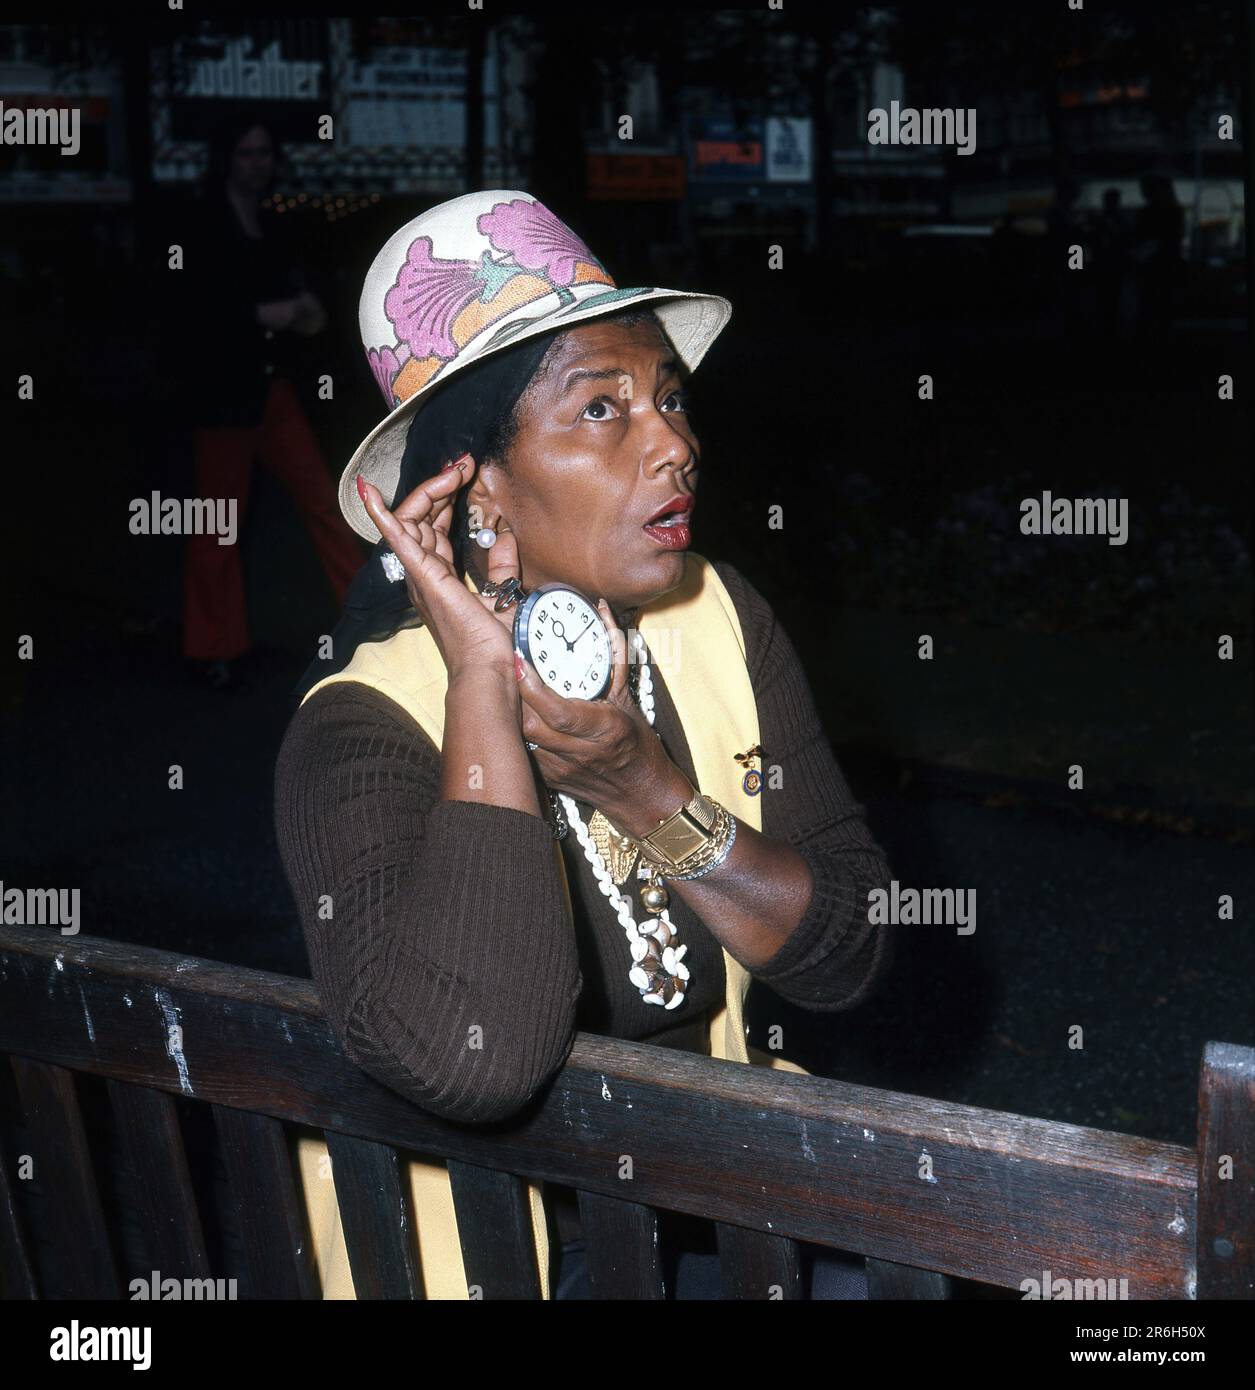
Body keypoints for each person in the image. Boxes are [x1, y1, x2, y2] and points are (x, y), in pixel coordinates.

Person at [272, 189, 896, 1299]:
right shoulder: (361, 728)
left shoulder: (717, 616)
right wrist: (480, 686)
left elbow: (849, 952)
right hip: (492, 1261)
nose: (676, 445)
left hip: (707, 1216)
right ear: (478, 493)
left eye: (668, 398)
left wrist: (640, 786)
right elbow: (476, 1059)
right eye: (603, 411)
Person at [179, 114, 363, 691]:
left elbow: (299, 295)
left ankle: (367, 624)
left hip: (273, 390)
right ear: (226, 159)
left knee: (325, 503)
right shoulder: (201, 221)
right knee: (218, 526)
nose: (256, 163)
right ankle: (213, 646)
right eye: (246, 153)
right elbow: (190, 308)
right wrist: (267, 315)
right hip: (223, 396)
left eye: (264, 153)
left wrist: (306, 311)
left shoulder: (272, 221)